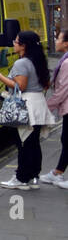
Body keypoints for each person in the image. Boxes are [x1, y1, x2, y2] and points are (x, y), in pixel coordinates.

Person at [0, 30, 54, 189]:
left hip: (25, 105)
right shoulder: (39, 60)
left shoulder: (22, 63)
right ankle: (33, 177)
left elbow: (20, 86)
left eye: (16, 41)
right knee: (33, 143)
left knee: (23, 144)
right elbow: (46, 84)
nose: (13, 43)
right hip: (38, 103)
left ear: (23, 45)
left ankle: (21, 178)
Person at [41, 28, 68, 188]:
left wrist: (47, 107)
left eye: (58, 39)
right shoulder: (64, 60)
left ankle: (57, 173)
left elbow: (63, 90)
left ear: (65, 44)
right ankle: (57, 173)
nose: (56, 41)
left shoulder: (66, 62)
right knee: (66, 140)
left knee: (66, 140)